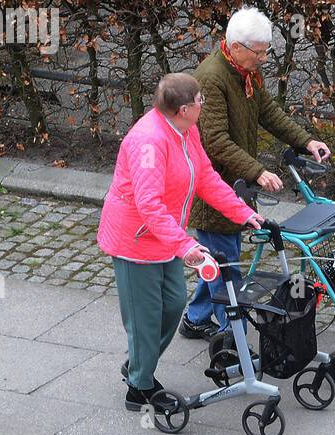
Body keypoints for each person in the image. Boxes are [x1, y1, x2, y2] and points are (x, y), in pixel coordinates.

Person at [97, 72, 262, 411]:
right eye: (200, 100)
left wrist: (242, 212)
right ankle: (139, 387)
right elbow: (149, 206)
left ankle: (137, 364)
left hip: (164, 239)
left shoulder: (186, 131)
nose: (204, 104)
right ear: (184, 108)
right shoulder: (149, 142)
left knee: (173, 304)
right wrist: (186, 246)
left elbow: (205, 177)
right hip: (136, 242)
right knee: (144, 318)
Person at [179, 6, 331, 339]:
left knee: (223, 257)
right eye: (258, 53)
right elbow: (215, 141)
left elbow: (268, 112)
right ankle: (229, 337)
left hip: (236, 186)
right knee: (226, 263)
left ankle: (195, 318)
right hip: (215, 189)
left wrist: (306, 141)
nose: (263, 59)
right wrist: (259, 171)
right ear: (236, 47)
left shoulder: (245, 71)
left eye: (265, 52)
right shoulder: (211, 78)